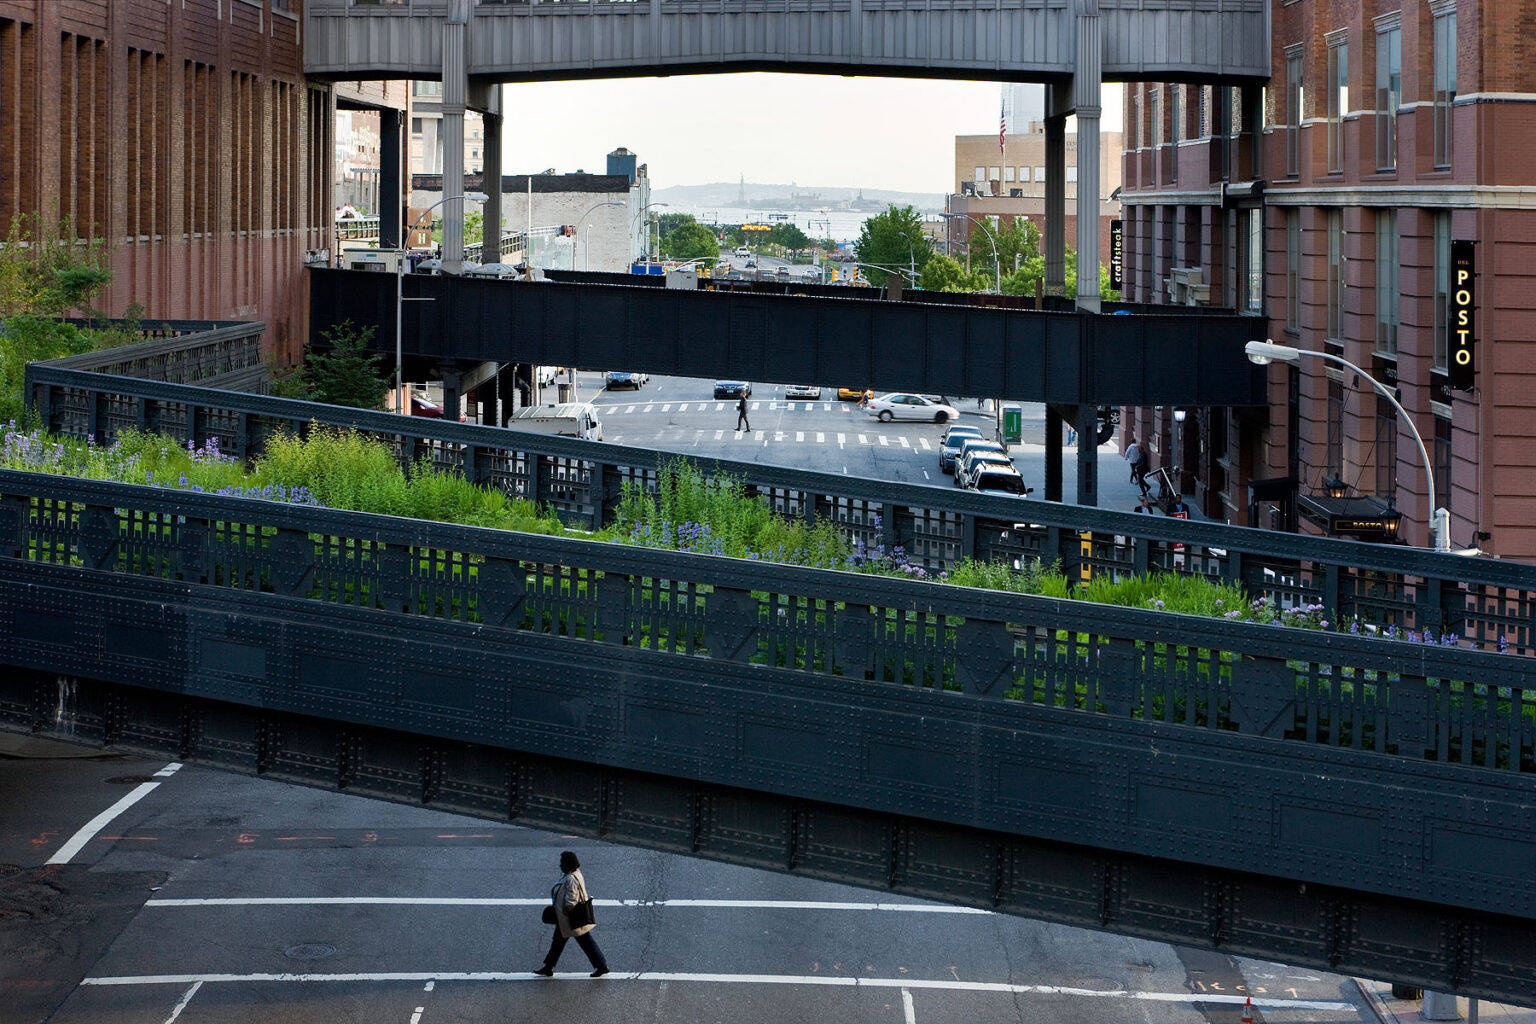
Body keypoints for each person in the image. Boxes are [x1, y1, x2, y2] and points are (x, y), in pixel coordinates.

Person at [534, 850, 610, 978]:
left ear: (567, 864)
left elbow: (571, 899)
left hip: (570, 918)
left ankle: (602, 965)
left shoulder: (570, 878)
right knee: (559, 942)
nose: (560, 866)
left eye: (562, 863)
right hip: (566, 919)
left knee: (584, 942)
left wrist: (566, 910)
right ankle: (548, 966)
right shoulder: (575, 874)